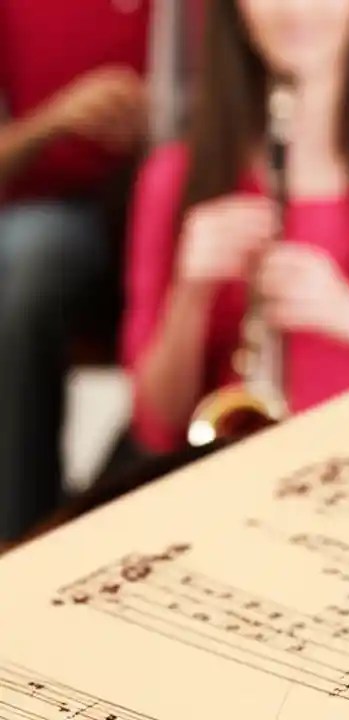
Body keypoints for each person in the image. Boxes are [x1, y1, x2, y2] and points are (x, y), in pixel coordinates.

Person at [123, 0, 349, 455]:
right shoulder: (173, 176)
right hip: (228, 480)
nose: (297, 10)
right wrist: (190, 294)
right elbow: (155, 425)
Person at [0, 1, 151, 543]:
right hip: (59, 209)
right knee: (31, 262)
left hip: (184, 193)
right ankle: (16, 531)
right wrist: (58, 119)